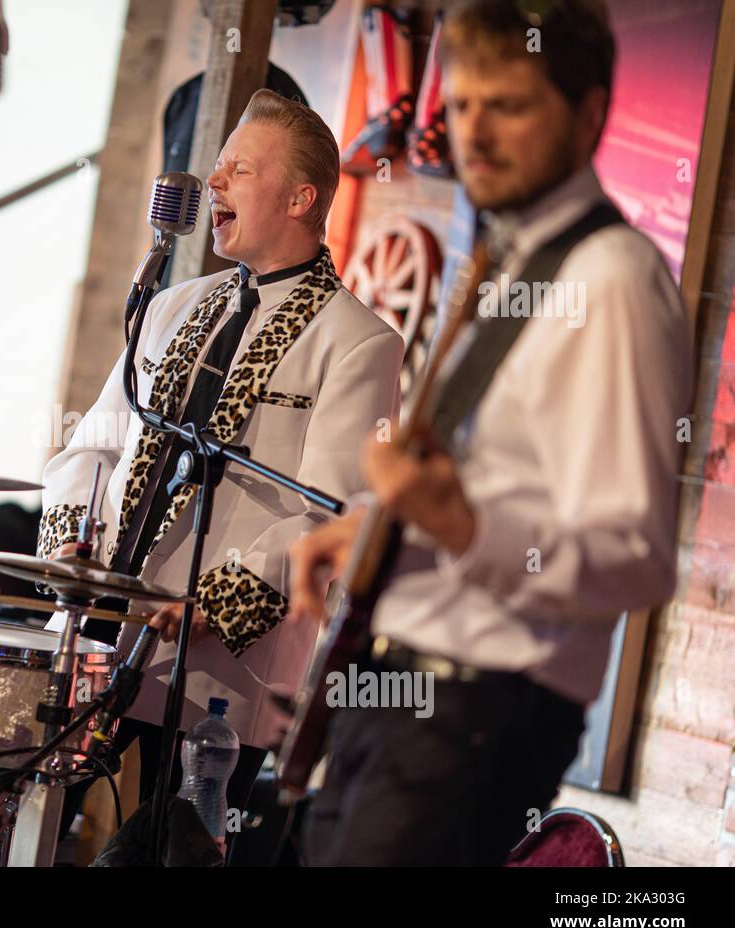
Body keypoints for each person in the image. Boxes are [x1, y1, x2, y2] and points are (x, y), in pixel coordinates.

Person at [289, 0, 692, 866]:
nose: (476, 131)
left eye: (509, 105)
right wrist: (376, 532)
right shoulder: (510, 260)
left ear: (587, 117)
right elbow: (500, 490)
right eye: (464, 104)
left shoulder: (613, 281)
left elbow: (636, 556)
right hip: (402, 698)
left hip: (474, 719)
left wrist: (460, 527)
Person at [38, 90, 404, 836]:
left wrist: (215, 606)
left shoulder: (359, 342)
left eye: (239, 168)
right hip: (94, 634)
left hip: (212, 670)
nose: (214, 183)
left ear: (302, 197)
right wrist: (68, 548)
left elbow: (331, 508)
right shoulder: (175, 305)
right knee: (34, 833)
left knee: (178, 849)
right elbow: (94, 445)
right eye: (215, 167)